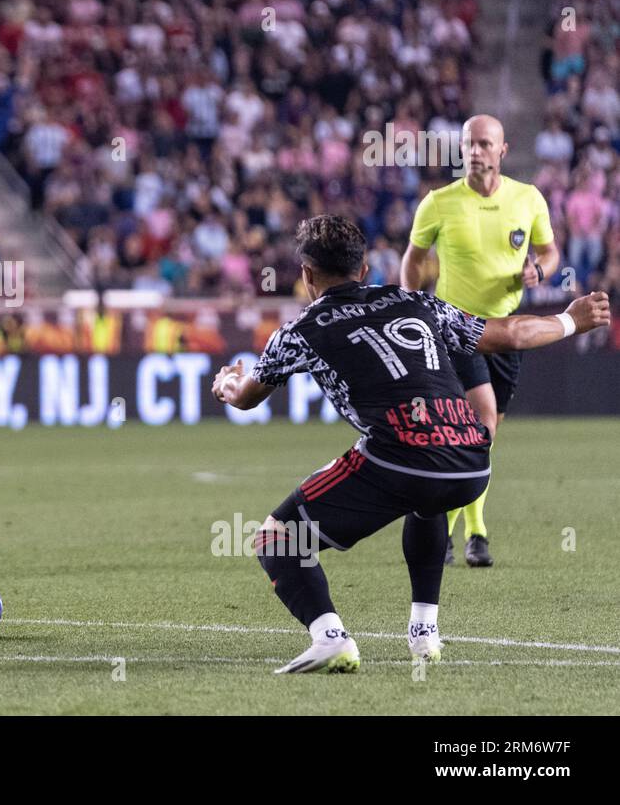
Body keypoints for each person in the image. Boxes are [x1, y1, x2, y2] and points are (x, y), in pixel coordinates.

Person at [213, 215, 608, 673]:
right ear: (364, 269)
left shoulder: (301, 330)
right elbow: (512, 334)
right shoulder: (420, 303)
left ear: (306, 275)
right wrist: (571, 320)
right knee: (427, 498)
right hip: (472, 460)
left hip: (401, 456)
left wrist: (227, 383)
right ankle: (425, 633)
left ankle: (330, 638)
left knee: (275, 538)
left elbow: (245, 398)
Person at [401, 115, 559, 567]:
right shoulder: (439, 203)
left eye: (484, 144)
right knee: (481, 421)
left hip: (508, 332)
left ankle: (468, 530)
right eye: (469, 144)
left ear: (502, 150)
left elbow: (549, 251)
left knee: (482, 438)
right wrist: (412, 308)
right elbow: (412, 259)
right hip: (457, 330)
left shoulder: (527, 199)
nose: (475, 151)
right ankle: (461, 535)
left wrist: (539, 270)